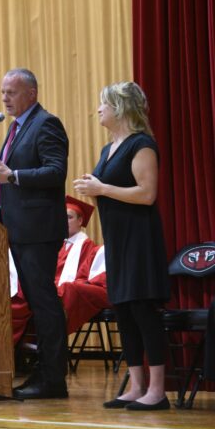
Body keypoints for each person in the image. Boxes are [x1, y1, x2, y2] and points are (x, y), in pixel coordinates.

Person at [0, 68, 70, 399]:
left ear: (32, 93)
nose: (4, 99)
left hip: (37, 231)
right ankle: (45, 374)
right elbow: (10, 177)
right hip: (17, 229)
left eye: (11, 92)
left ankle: (53, 379)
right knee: (38, 305)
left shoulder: (46, 124)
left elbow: (55, 172)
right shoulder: (15, 128)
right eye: (2, 92)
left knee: (44, 305)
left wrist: (11, 177)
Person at [74, 81, 170, 410]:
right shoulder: (107, 149)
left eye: (104, 103)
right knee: (124, 312)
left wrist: (101, 188)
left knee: (143, 310)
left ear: (121, 108)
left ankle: (157, 391)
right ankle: (136, 386)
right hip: (117, 241)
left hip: (140, 240)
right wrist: (94, 187)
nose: (98, 109)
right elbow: (107, 188)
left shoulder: (141, 144)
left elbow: (146, 194)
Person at [10, 195, 98, 343]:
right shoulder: (54, 244)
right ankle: (20, 346)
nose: (64, 221)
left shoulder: (87, 247)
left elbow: (84, 277)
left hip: (61, 290)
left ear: (80, 221)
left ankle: (37, 344)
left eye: (69, 217)